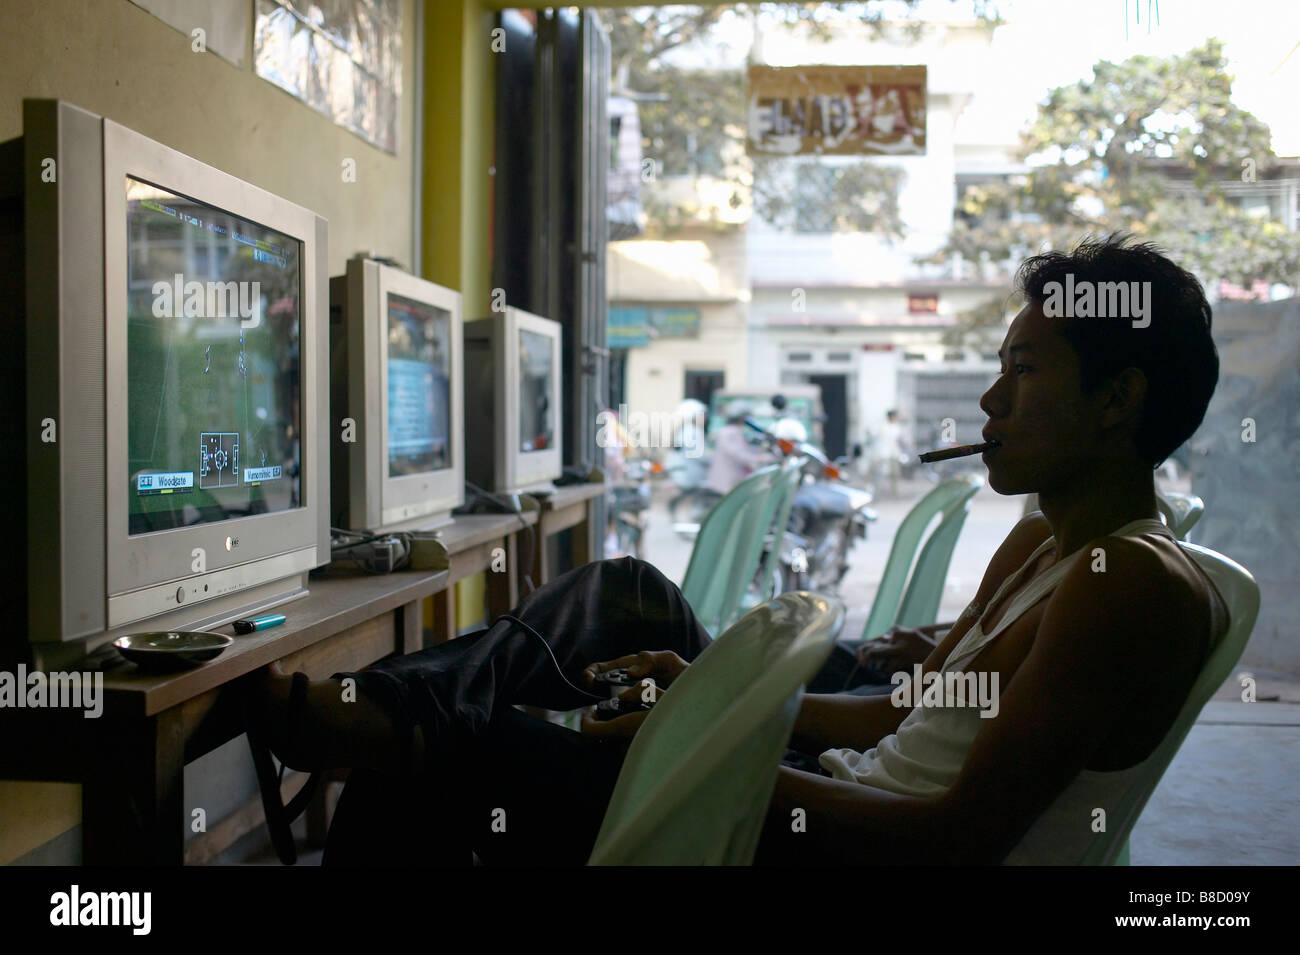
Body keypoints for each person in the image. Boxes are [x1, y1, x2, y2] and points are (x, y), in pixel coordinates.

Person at [248, 234, 1227, 865]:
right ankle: (396, 715)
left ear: (1116, 398)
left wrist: (714, 755)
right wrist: (709, 694)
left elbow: (954, 842)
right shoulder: (1041, 544)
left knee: (461, 755)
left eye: (1021, 369)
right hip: (819, 797)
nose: (988, 402)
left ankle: (390, 716)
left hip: (819, 843)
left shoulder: (1129, 585)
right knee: (620, 604)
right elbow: (897, 711)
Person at [704, 400, 771, 495]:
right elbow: (738, 454)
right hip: (725, 482)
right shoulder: (728, 433)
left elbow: (744, 450)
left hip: (732, 480)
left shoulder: (734, 431)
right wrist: (759, 458)